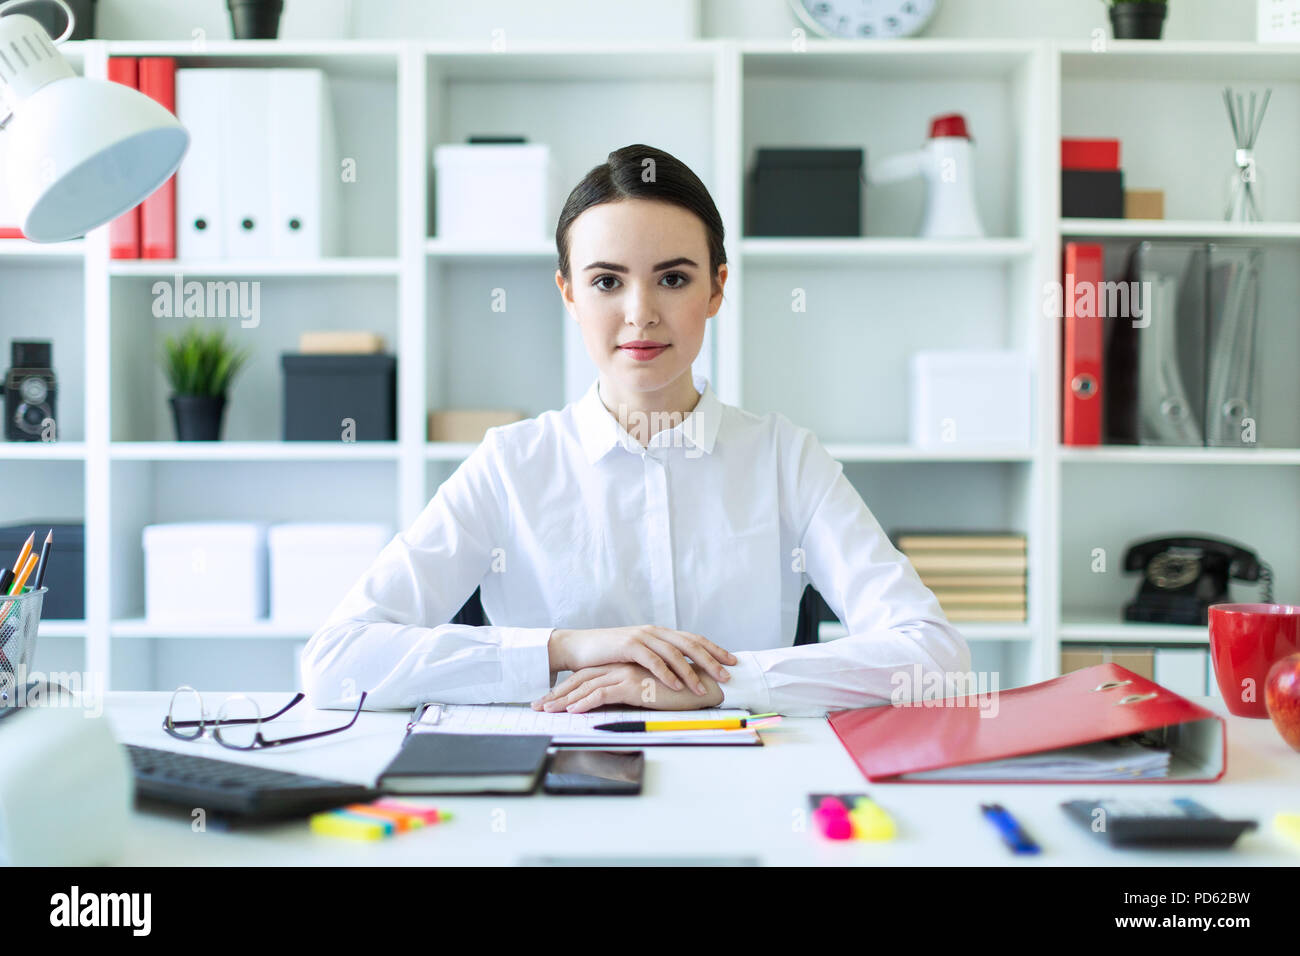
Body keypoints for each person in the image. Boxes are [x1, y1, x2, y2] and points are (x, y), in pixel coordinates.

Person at [300, 144, 970, 717]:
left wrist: (713, 686)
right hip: (554, 784)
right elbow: (334, 662)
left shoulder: (784, 459)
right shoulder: (513, 463)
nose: (640, 313)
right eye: (606, 281)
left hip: (753, 787)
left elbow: (936, 660)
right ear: (569, 293)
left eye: (673, 279)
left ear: (715, 290)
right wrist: (566, 648)